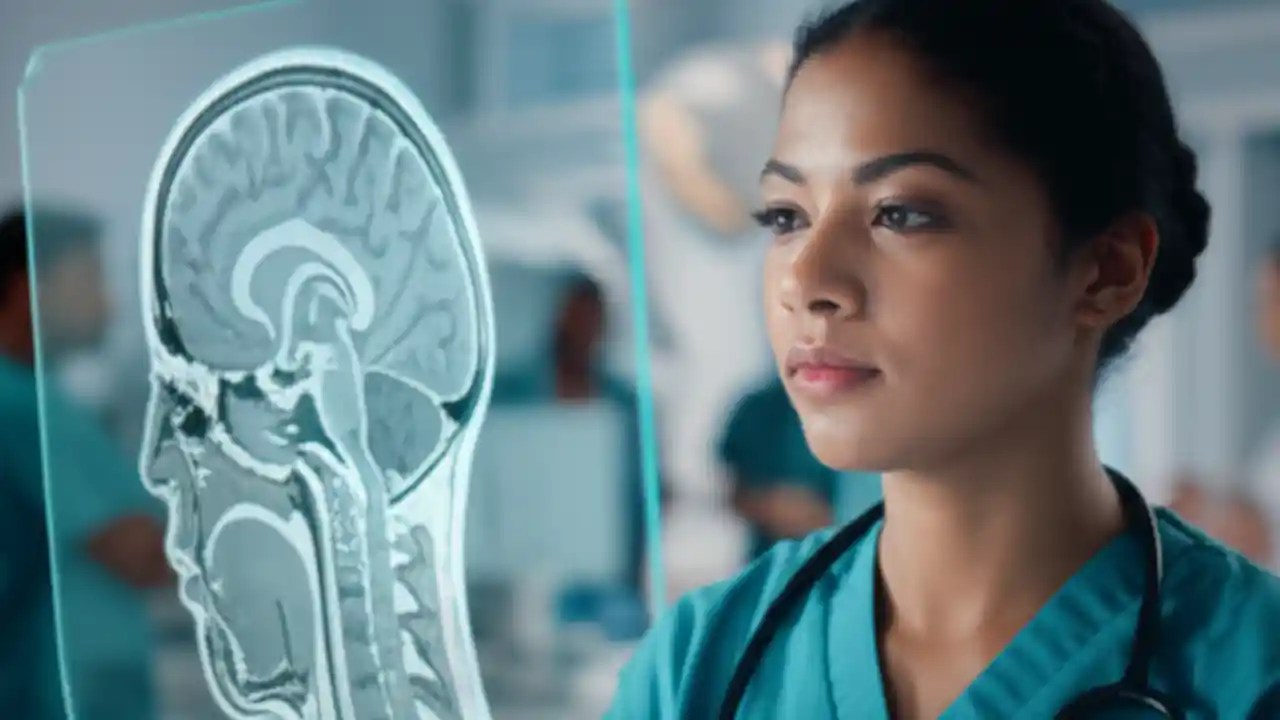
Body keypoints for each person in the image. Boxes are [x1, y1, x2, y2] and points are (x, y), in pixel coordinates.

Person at [607, 1, 1280, 718]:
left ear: (1105, 272)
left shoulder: (1251, 677)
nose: (807, 280)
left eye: (900, 213)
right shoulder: (698, 667)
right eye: (786, 216)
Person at [0, 206, 170, 719]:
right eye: (89, 279)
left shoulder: (42, 399)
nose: (108, 304)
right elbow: (139, 553)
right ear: (28, 288)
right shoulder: (19, 406)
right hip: (62, 693)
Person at [493, 273, 655, 601]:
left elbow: (638, 496)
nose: (583, 330)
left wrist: (635, 578)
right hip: (522, 570)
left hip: (605, 576)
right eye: (575, 317)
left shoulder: (624, 403)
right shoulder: (510, 393)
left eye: (593, 320)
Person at [719, 379, 840, 560]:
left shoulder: (858, 410)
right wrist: (770, 507)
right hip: (770, 558)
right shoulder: (758, 408)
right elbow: (735, 493)